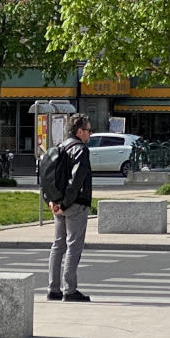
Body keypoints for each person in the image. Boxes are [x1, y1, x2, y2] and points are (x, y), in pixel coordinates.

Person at [46, 115, 94, 303]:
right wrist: (66, 202)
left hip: (58, 204)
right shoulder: (81, 150)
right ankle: (70, 289)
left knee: (58, 245)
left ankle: (53, 288)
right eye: (89, 130)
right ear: (79, 131)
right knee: (74, 246)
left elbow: (47, 178)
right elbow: (77, 180)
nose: (90, 133)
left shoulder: (59, 148)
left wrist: (54, 201)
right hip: (75, 204)